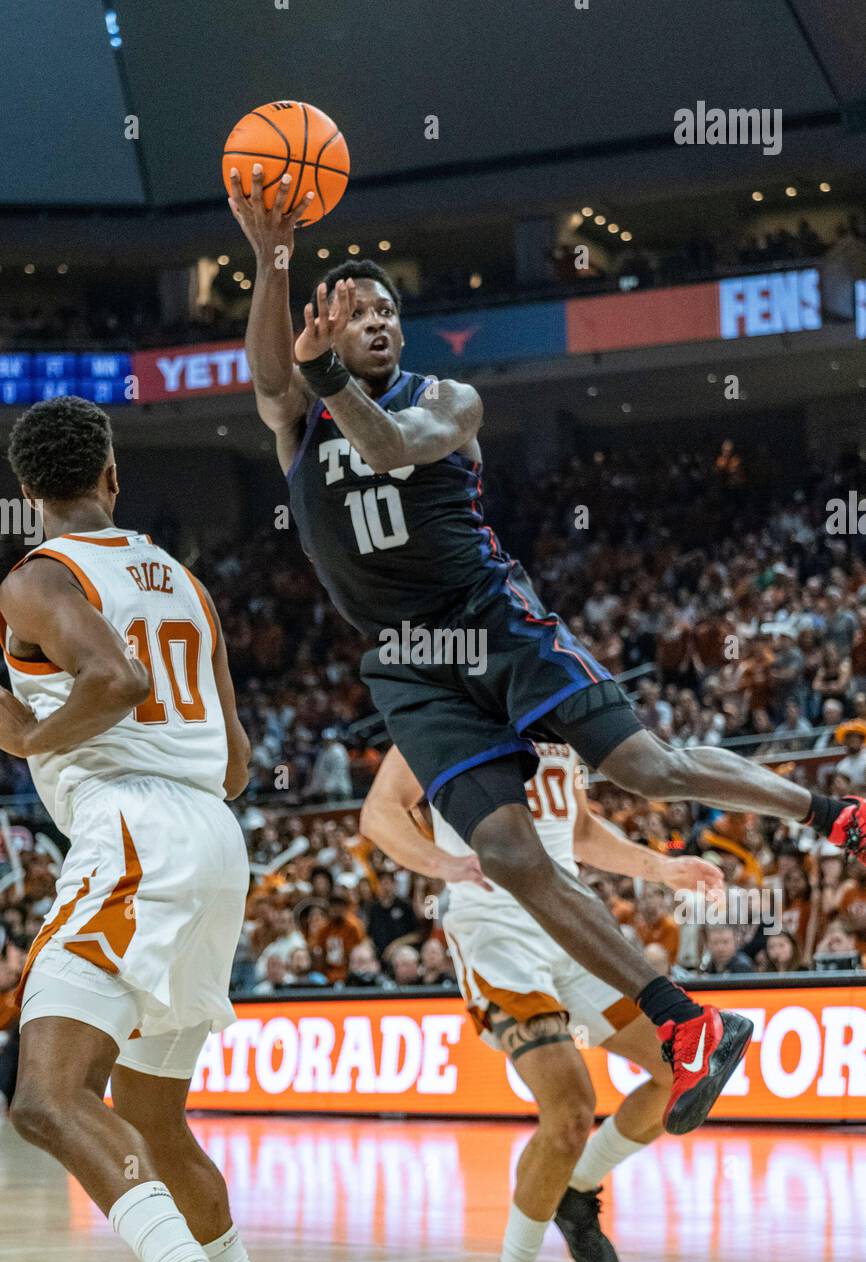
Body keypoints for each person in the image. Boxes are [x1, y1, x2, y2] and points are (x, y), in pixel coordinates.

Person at [232, 166, 866, 1134]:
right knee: (508, 855)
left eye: (384, 312)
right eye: (351, 308)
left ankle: (825, 809)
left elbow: (394, 448)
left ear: (399, 335)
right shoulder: (299, 415)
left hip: (492, 618)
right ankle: (683, 1022)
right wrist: (271, 258)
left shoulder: (446, 399)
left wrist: (327, 374)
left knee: (647, 767)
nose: (370, 321)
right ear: (325, 323)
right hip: (405, 663)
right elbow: (272, 379)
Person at [0, 396, 259, 1262]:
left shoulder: (38, 578)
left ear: (27, 490)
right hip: (215, 841)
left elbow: (115, 679)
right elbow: (235, 764)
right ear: (112, 478)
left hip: (135, 834)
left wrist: (33, 742)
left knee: (46, 1098)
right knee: (152, 1115)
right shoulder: (186, 582)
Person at [361, 741, 725, 1262]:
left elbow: (578, 832)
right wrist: (445, 863)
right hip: (495, 933)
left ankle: (577, 1188)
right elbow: (380, 811)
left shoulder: (555, 714)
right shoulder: (441, 709)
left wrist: (661, 866)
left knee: (682, 1066)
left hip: (572, 923)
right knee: (572, 1109)